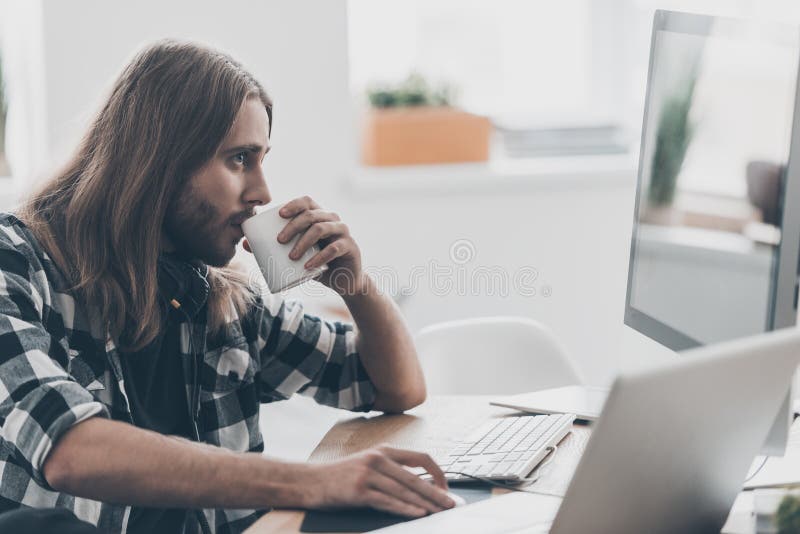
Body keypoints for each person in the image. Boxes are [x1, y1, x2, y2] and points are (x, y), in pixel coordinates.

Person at [0, 39, 455, 534]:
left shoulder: (220, 293)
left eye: (261, 159)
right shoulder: (18, 263)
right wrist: (309, 483)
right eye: (240, 159)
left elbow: (392, 386)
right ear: (159, 160)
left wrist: (355, 285)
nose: (262, 192)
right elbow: (69, 449)